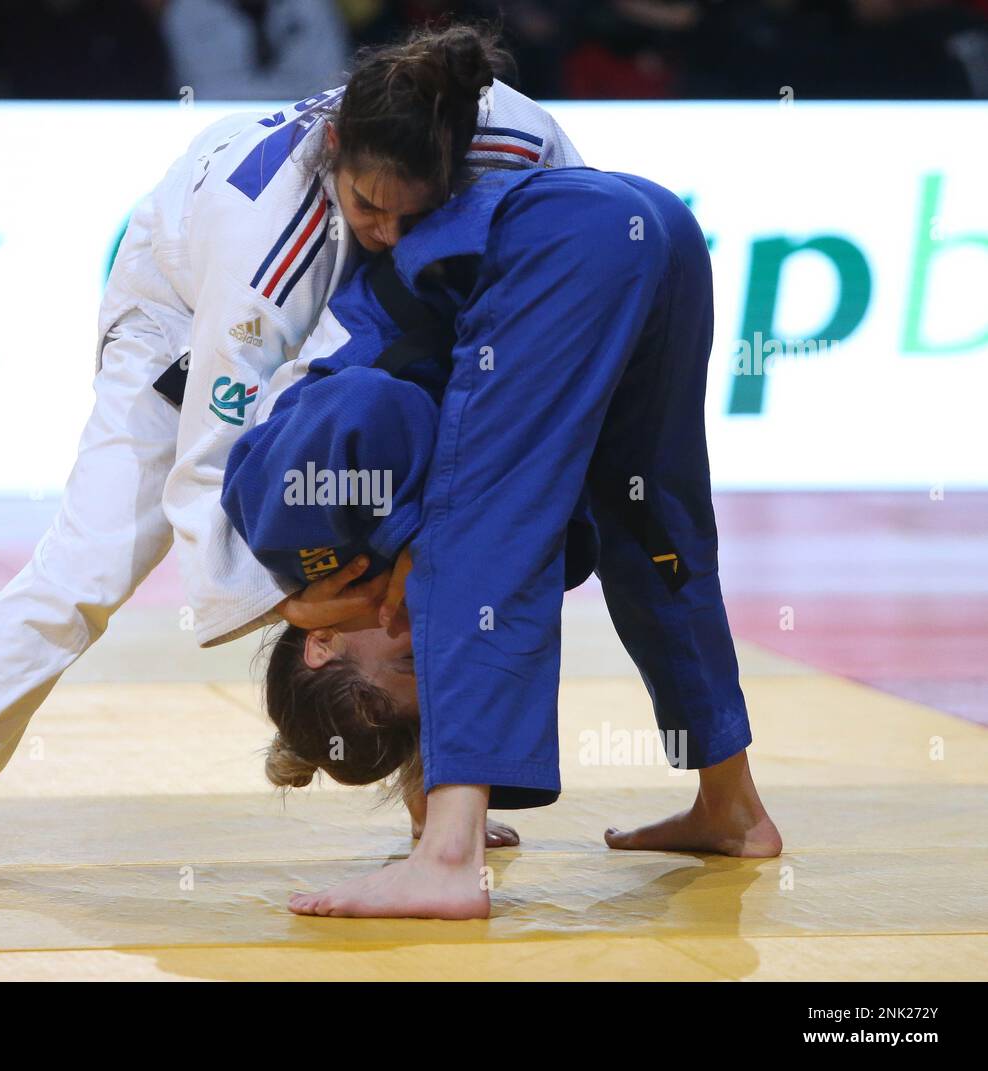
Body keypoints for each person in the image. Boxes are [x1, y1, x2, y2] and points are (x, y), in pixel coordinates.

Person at [0, 25, 582, 892]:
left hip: (355, 326)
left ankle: (435, 806)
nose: (388, 232)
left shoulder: (513, 141)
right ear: (334, 149)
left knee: (439, 541)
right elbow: (210, 467)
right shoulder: (263, 249)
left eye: (414, 211)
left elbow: (564, 263)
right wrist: (301, 601)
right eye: (371, 206)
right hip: (180, 326)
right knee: (85, 567)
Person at [225, 163, 782, 919]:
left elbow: (365, 402)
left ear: (321, 642)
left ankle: (449, 861)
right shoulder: (366, 603)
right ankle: (734, 807)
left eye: (407, 653)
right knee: (652, 528)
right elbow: (542, 540)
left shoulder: (291, 532)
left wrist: (411, 537)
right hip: (645, 230)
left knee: (470, 542)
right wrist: (432, 792)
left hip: (554, 242)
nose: (410, 626)